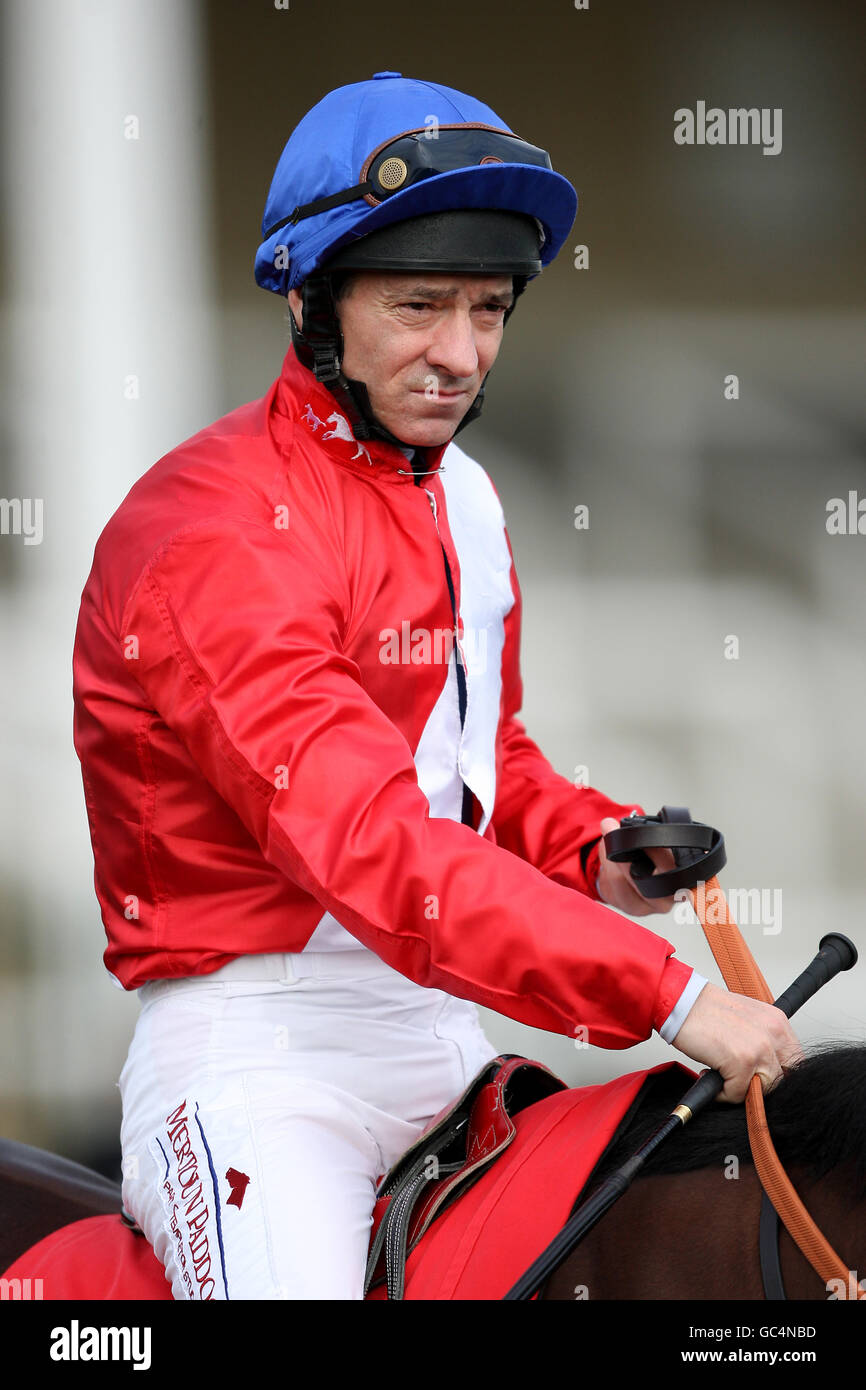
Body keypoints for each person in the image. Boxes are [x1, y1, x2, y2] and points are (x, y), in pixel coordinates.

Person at [72, 72, 800, 1300]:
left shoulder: (463, 494)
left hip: (440, 1044)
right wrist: (665, 995)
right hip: (256, 1067)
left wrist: (595, 853)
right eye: (417, 305)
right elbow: (374, 846)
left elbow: (484, 765)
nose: (458, 355)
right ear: (309, 296)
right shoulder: (210, 532)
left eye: (487, 309)